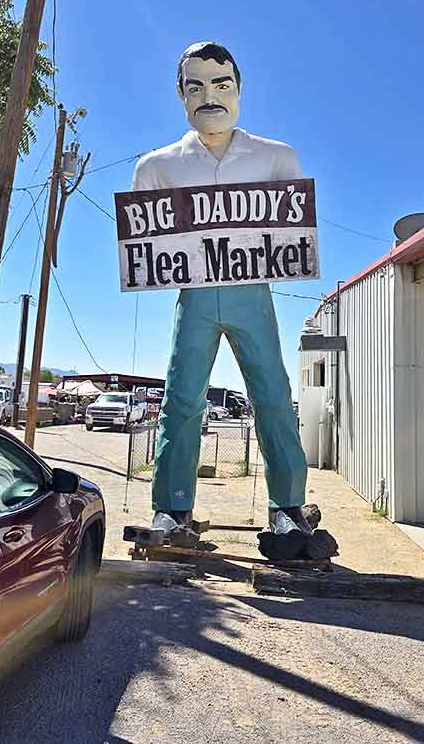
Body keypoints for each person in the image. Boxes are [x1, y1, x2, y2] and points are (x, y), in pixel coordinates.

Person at [131, 42, 312, 553]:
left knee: (272, 393)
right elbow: (145, 240)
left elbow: (292, 232)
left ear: (238, 89)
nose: (209, 96)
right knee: (181, 397)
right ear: (180, 93)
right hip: (194, 294)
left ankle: (288, 506)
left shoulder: (276, 158)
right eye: (196, 86)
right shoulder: (156, 166)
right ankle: (172, 508)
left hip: (251, 292)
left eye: (221, 84)